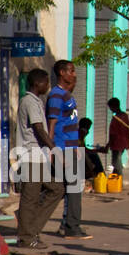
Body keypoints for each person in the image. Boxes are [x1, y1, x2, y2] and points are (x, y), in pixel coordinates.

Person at [15, 68, 62, 250]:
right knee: (30, 198)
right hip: (31, 156)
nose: (48, 85)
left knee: (57, 189)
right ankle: (27, 237)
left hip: (38, 157)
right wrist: (54, 149)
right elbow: (39, 129)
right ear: (37, 83)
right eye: (46, 82)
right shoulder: (29, 101)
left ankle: (31, 226)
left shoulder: (36, 101)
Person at [46, 60, 90, 240]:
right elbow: (52, 122)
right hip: (62, 148)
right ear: (62, 73)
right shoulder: (56, 95)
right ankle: (72, 227)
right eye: (71, 71)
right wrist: (51, 148)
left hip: (71, 148)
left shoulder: (66, 94)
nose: (74, 74)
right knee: (72, 188)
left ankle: (67, 224)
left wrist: (77, 146)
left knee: (64, 187)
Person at [107, 98, 129, 176]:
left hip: (117, 144)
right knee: (116, 163)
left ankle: (119, 180)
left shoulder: (118, 118)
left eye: (110, 107)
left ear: (114, 106)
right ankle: (114, 179)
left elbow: (114, 133)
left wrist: (109, 144)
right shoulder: (124, 116)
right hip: (121, 143)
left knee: (116, 163)